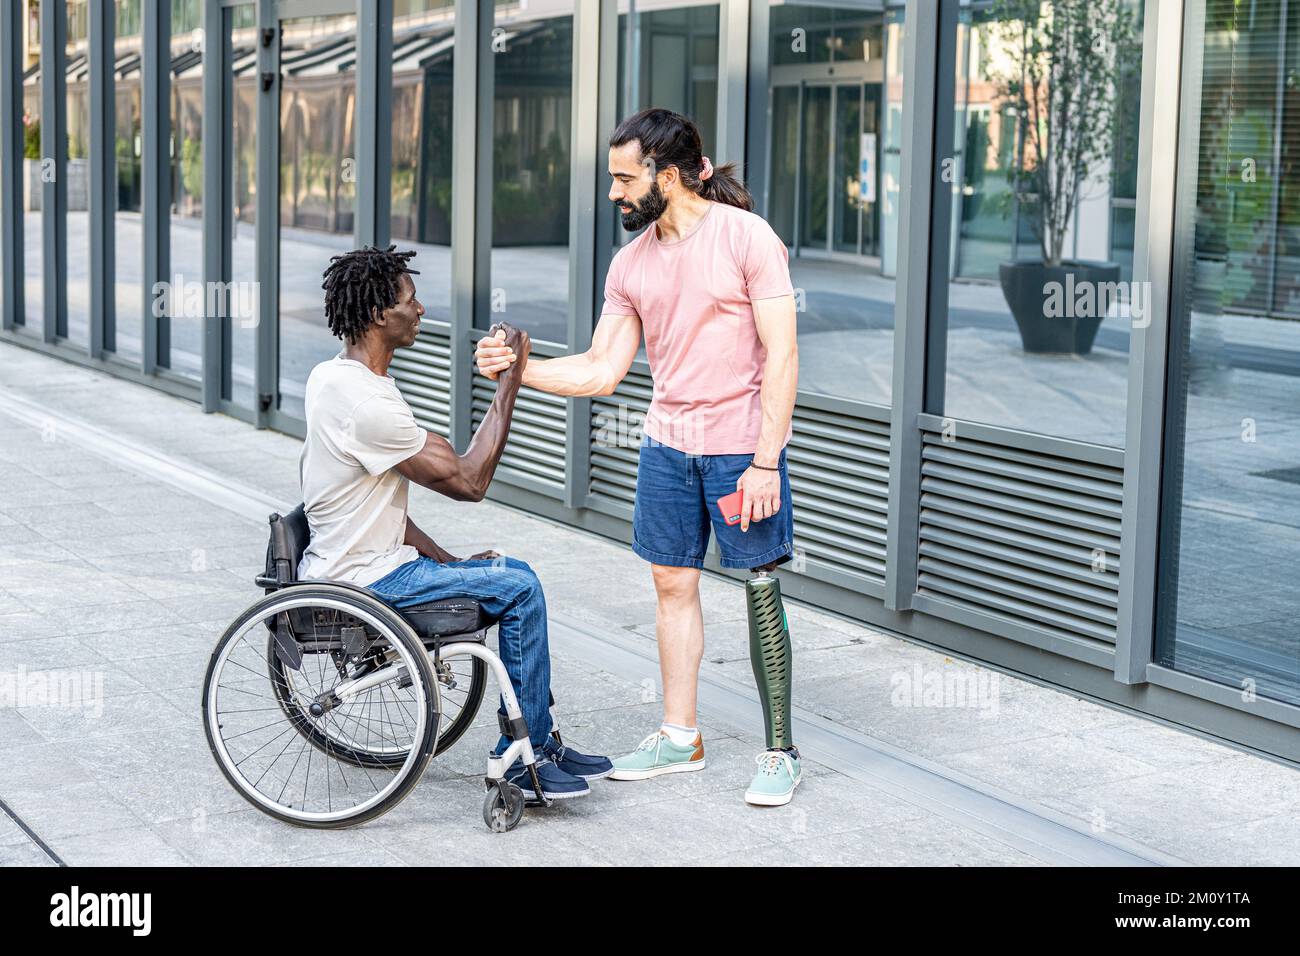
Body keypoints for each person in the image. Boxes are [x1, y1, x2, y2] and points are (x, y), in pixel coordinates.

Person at [474, 108, 802, 806]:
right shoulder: (631, 264)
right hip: (667, 451)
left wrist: (767, 460)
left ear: (670, 175)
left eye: (625, 178)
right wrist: (517, 366)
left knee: (761, 589)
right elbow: (599, 369)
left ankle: (780, 751)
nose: (615, 193)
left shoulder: (747, 239)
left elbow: (783, 354)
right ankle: (680, 737)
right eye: (614, 178)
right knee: (672, 588)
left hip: (741, 449)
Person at [298, 244, 612, 801]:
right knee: (520, 586)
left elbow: (380, 507)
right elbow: (470, 481)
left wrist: (450, 562)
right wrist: (509, 379)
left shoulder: (335, 378)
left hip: (359, 562)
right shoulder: (367, 405)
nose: (421, 311)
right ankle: (526, 756)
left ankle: (542, 738)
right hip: (368, 581)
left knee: (502, 569)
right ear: (378, 315)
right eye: (410, 301)